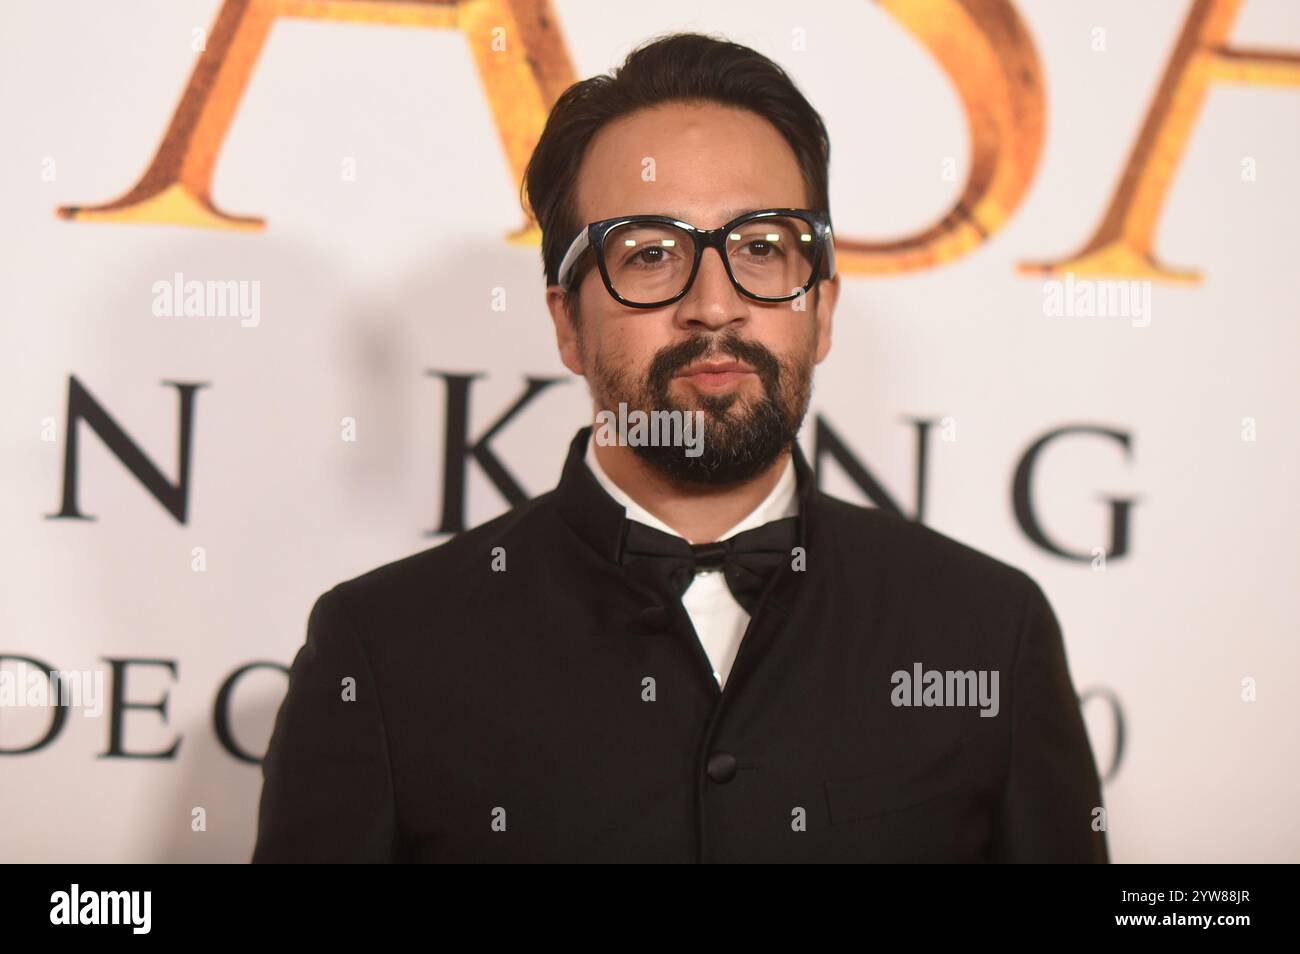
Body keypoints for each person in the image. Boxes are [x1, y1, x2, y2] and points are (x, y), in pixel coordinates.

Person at [252, 31, 1108, 863]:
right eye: (651, 254)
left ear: (823, 309)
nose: (713, 305)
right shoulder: (384, 653)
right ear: (567, 324)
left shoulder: (989, 633)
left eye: (762, 248)